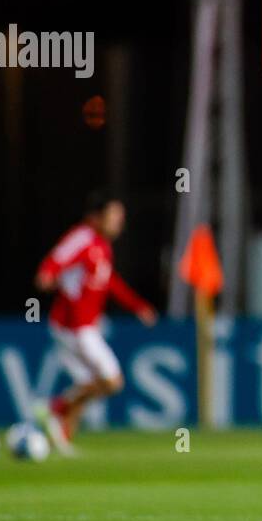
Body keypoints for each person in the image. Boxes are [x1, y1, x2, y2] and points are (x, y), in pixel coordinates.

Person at [34, 191, 156, 452]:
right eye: (113, 217)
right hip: (73, 327)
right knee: (112, 381)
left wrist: (137, 306)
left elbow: (109, 281)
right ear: (96, 217)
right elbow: (57, 259)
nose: (118, 223)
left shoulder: (101, 246)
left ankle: (61, 436)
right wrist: (47, 272)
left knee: (89, 385)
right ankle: (54, 409)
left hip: (85, 327)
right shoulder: (83, 237)